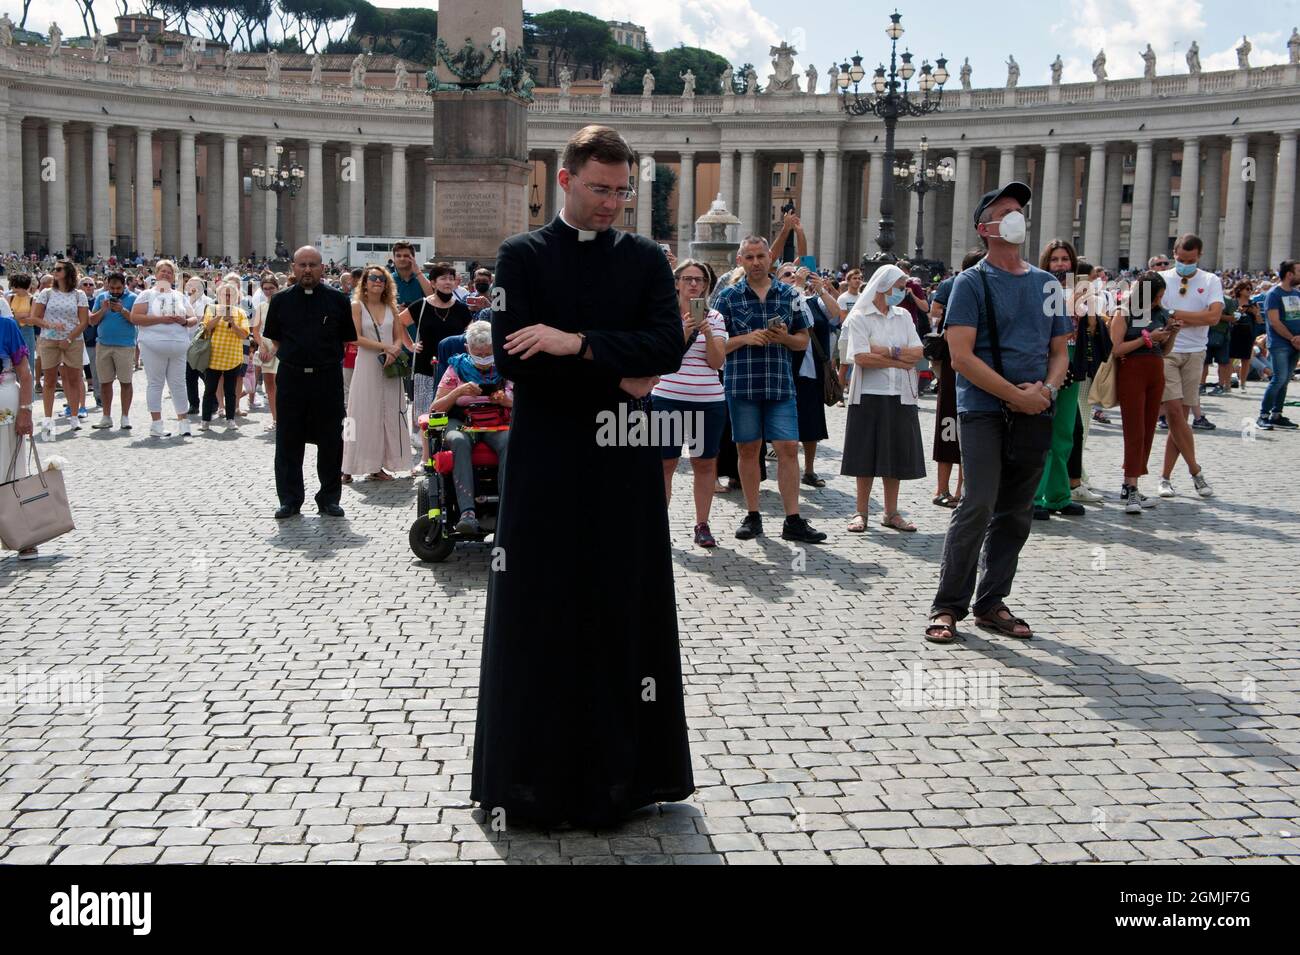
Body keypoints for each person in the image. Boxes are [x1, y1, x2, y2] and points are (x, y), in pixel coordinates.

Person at [473, 124, 693, 827]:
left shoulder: (647, 260)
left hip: (624, 460)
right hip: (547, 458)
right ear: (563, 180)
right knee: (541, 610)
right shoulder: (521, 256)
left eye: (622, 191)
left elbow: (668, 343)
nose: (612, 203)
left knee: (621, 607)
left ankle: (624, 780)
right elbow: (513, 362)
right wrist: (621, 372)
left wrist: (577, 342)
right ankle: (531, 781)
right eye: (600, 189)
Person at [926, 181, 1072, 644]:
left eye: (1020, 209)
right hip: (983, 410)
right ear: (985, 227)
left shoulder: (1047, 283)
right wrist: (1014, 394)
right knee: (978, 503)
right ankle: (948, 604)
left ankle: (991, 602)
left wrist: (1045, 390)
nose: (1017, 216)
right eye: (1007, 209)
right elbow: (961, 356)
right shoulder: (969, 283)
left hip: (1034, 407)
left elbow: (1060, 351)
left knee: (1016, 511)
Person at [712, 236, 826, 543]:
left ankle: (793, 519)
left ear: (770, 258)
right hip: (742, 384)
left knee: (788, 448)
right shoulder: (726, 297)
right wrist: (746, 338)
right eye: (749, 257)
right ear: (740, 261)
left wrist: (784, 338)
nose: (756, 262)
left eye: (761, 256)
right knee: (748, 449)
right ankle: (753, 515)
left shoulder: (789, 293)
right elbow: (714, 345)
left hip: (780, 384)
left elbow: (803, 340)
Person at [261, 246, 357, 519]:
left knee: (331, 440)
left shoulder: (338, 300)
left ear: (322, 268)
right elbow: (276, 339)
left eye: (312, 264)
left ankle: (329, 498)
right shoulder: (280, 301)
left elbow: (345, 338)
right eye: (302, 264)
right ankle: (290, 500)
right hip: (291, 378)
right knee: (288, 440)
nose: (307, 270)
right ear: (293, 268)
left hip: (327, 378)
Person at [839, 264, 926, 532]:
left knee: (895, 455)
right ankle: (860, 511)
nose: (903, 292)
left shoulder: (903, 316)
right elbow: (862, 358)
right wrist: (900, 358)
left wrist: (886, 352)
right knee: (864, 455)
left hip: (900, 394)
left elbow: (918, 352)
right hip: (868, 393)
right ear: (884, 287)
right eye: (900, 287)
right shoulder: (859, 317)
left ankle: (891, 512)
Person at [650, 258, 728, 548]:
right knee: (665, 463)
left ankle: (702, 525)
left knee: (704, 464)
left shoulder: (716, 318)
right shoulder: (664, 315)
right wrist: (683, 331)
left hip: (708, 400)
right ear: (677, 283)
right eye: (688, 279)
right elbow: (661, 359)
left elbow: (717, 361)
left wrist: (707, 332)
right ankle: (658, 525)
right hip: (668, 397)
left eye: (700, 280)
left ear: (707, 286)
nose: (694, 284)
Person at [430, 320, 511, 535]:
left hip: (496, 421)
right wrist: (458, 392)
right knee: (457, 440)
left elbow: (526, 403)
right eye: (478, 354)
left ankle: (506, 510)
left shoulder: (506, 368)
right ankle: (467, 513)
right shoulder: (455, 368)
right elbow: (435, 408)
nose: (484, 360)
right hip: (463, 422)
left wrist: (505, 401)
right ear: (468, 349)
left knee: (510, 440)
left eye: (488, 354)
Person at [1156, 235, 1217, 498]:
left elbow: (1214, 317)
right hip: (1167, 351)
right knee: (1172, 413)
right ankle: (1195, 471)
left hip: (1195, 353)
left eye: (1190, 261)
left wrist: (1177, 316)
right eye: (1181, 260)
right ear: (1174, 253)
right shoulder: (1158, 279)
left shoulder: (1211, 280)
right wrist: (1196, 318)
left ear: (1199, 256)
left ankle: (1166, 478)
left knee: (1180, 418)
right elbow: (1144, 313)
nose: (1185, 264)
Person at [1111, 271, 1177, 512]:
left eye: (1160, 297)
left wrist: (1172, 332)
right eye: (1156, 296)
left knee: (1148, 429)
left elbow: (1166, 350)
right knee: (1134, 429)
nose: (1159, 301)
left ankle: (1131, 483)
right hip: (1132, 372)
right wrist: (1147, 337)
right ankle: (1131, 488)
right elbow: (1117, 349)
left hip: (1155, 371)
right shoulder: (1124, 312)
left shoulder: (1160, 313)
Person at [1032, 241, 1088, 520]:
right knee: (1041, 428)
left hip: (1073, 357)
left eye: (1065, 259)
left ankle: (1058, 495)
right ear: (1046, 263)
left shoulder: (1081, 290)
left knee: (1065, 431)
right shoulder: (1036, 287)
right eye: (1055, 259)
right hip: (1046, 358)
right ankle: (1035, 496)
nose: (1060, 264)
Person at [342, 265, 411, 481]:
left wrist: (395, 348)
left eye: (382, 279)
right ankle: (347, 466)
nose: (377, 282)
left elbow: (399, 336)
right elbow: (354, 337)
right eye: (373, 278)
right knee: (359, 414)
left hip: (389, 366)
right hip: (367, 364)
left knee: (388, 414)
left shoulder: (391, 308)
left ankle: (378, 466)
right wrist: (385, 347)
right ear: (364, 282)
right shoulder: (357, 306)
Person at [403, 263, 473, 474]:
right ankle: (426, 459)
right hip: (427, 366)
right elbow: (399, 323)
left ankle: (448, 454)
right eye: (442, 278)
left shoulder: (461, 308)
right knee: (427, 415)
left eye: (451, 278)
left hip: (455, 370)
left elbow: (469, 334)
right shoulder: (421, 305)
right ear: (432, 283)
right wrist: (410, 345)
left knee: (450, 412)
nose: (447, 282)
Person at [928, 251, 981, 507]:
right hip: (955, 368)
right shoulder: (957, 288)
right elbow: (938, 316)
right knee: (949, 426)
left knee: (965, 430)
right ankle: (945, 488)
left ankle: (960, 490)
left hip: (968, 369)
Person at [130, 260, 197, 438]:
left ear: (174, 276)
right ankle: (156, 424)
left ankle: (183, 422)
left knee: (178, 384)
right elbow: (135, 317)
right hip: (153, 345)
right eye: (163, 272)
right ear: (156, 274)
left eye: (169, 272)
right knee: (156, 383)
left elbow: (193, 319)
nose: (166, 275)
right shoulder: (146, 294)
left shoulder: (180, 296)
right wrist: (160, 319)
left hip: (178, 346)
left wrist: (183, 321)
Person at [32, 260, 89, 440]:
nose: (54, 272)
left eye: (58, 269)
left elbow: (84, 322)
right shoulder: (46, 293)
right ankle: (48, 418)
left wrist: (69, 338)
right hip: (49, 340)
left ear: (68, 272)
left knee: (73, 379)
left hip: (73, 340)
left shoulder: (79, 294)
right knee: (49, 380)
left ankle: (73, 415)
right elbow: (35, 317)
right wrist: (50, 325)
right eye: (54, 269)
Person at [793, 266, 838, 488]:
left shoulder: (814, 302)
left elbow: (835, 312)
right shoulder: (783, 297)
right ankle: (786, 467)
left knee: (812, 422)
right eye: (790, 275)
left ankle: (808, 470)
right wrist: (796, 287)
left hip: (812, 371)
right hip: (787, 371)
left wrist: (821, 289)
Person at [0, 296, 38, 558]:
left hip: (6, 403)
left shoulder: (6, 326)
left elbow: (25, 373)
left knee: (12, 465)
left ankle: (22, 534)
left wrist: (26, 411)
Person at [87, 271, 137, 430]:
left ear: (124, 286)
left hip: (125, 345)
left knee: (126, 382)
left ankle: (125, 417)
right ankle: (106, 417)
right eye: (112, 288)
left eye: (118, 288)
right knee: (105, 382)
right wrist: (103, 309)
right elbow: (92, 321)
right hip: (103, 345)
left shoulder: (133, 298)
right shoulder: (101, 297)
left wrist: (122, 310)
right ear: (107, 285)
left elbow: (135, 320)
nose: (115, 291)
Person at [199, 280, 250, 432]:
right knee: (209, 390)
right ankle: (205, 420)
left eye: (230, 295)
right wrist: (219, 316)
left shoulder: (240, 313)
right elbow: (206, 328)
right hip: (213, 356)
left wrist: (233, 324)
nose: (227, 298)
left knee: (230, 391)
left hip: (232, 357)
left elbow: (244, 335)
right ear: (218, 295)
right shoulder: (212, 309)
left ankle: (230, 419)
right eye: (224, 294)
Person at [1255, 259, 1300, 431]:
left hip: (1294, 343)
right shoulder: (1274, 294)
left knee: (1285, 380)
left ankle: (1277, 414)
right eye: (1298, 271)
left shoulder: (1297, 294)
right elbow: (1274, 322)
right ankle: (1263, 415)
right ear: (1289, 274)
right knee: (1278, 379)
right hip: (1280, 343)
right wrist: (1293, 339)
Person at [251, 274, 281, 430]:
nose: (268, 291)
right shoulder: (261, 307)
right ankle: (276, 419)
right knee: (269, 384)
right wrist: (262, 346)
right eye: (265, 289)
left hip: (282, 347)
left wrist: (276, 349)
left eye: (271, 288)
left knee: (283, 384)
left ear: (277, 288)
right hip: (265, 346)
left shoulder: (285, 305)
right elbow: (255, 330)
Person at [1227, 279, 1261, 394]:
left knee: (1246, 360)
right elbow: (1229, 319)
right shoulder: (1233, 302)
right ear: (1239, 290)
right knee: (1229, 359)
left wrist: (1256, 312)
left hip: (1248, 334)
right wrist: (1239, 312)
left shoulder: (1253, 303)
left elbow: (1260, 321)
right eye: (1247, 288)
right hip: (1234, 332)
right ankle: (1227, 383)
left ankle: (1243, 384)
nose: (1249, 291)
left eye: (1251, 288)